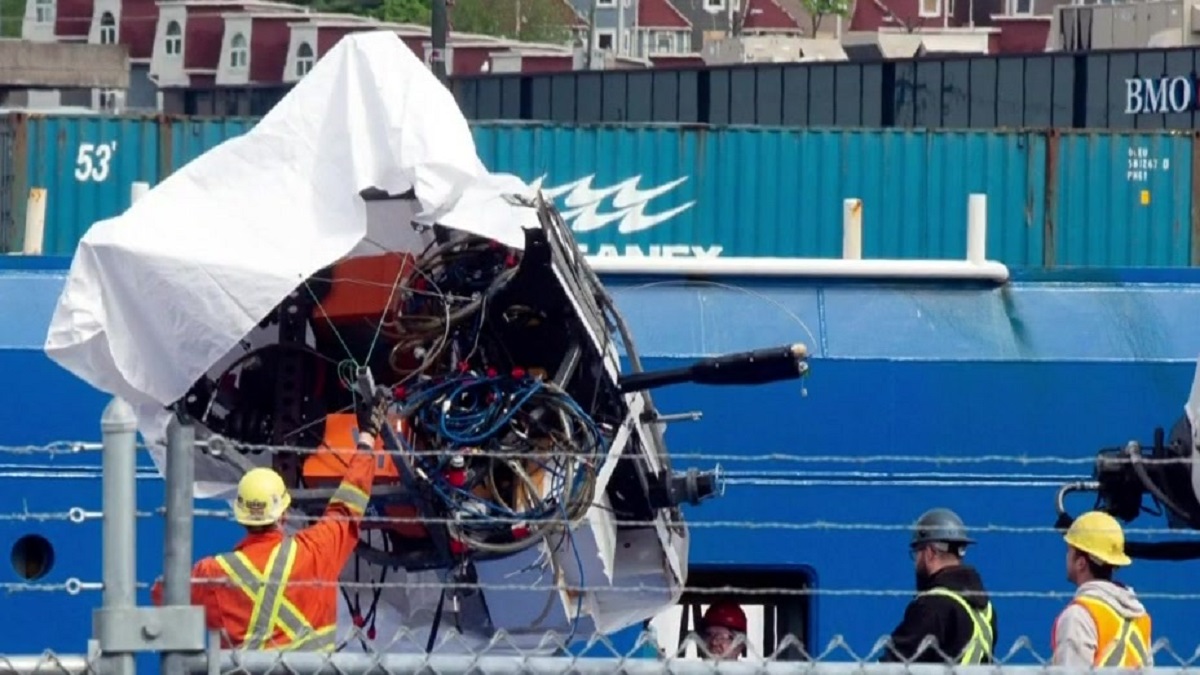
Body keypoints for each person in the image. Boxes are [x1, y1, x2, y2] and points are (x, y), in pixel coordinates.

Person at [151, 388, 390, 651]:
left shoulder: (215, 574)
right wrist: (367, 436)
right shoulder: (315, 552)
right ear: (284, 514)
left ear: (241, 516)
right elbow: (348, 506)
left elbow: (163, 594)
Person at [881, 508, 997, 664]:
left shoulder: (932, 606)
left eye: (916, 553)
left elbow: (892, 666)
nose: (915, 562)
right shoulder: (985, 608)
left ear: (929, 553)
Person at [1051, 510, 1152, 668]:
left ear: (1081, 563)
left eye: (1069, 551)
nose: (1066, 556)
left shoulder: (1078, 616)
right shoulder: (1140, 616)